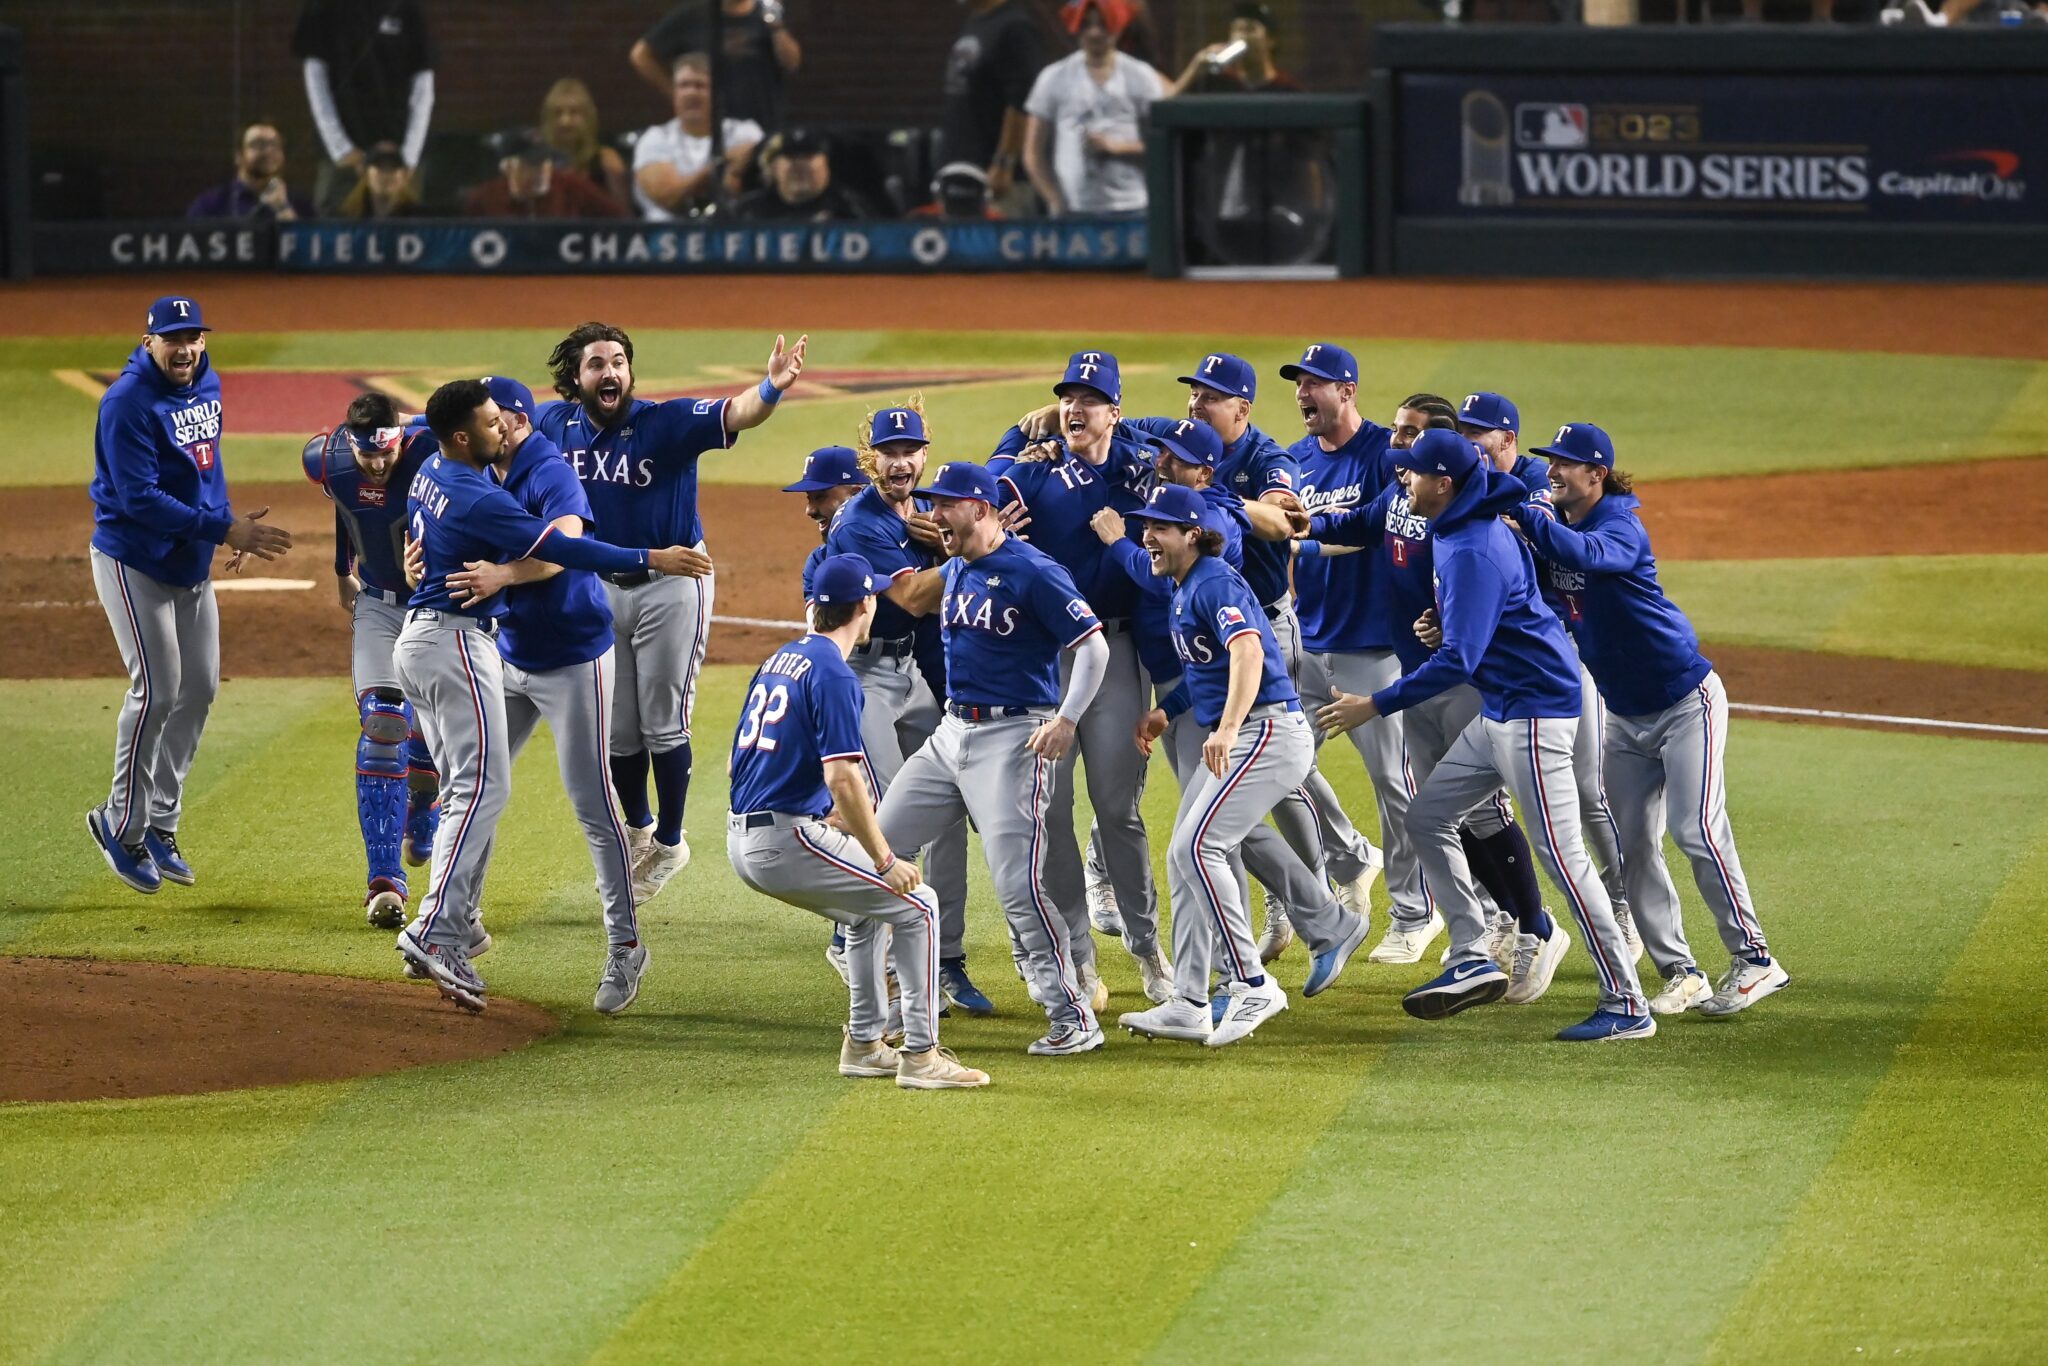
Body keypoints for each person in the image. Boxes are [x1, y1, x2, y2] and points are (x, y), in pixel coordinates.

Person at [1315, 430, 1653, 1043]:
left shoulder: (1471, 542)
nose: (1403, 480)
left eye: (1413, 473)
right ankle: (1471, 950)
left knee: (1564, 858)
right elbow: (1504, 603)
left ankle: (1628, 1002)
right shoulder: (1460, 525)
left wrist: (1376, 704)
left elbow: (1458, 664)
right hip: (1501, 708)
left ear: (1444, 484)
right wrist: (1451, 618)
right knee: (1428, 818)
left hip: (1535, 713)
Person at [392, 380, 704, 1012]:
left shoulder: (548, 473)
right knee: (479, 789)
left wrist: (647, 559)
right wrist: (413, 559)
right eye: (488, 418)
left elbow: (563, 549)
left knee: (593, 808)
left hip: (570, 658)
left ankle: (625, 945)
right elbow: (425, 523)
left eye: (503, 417)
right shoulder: (462, 472)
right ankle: (455, 926)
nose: (500, 426)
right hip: (502, 652)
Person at [1506, 423, 1788, 1019]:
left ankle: (1756, 960)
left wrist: (1531, 519)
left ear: (1596, 474)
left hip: (1687, 702)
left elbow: (1586, 557)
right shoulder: (1558, 531)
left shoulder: (1619, 526)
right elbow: (1551, 603)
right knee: (1633, 847)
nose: (1552, 472)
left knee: (1697, 830)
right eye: (1549, 463)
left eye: (1564, 463)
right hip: (1622, 717)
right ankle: (1679, 970)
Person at [1115, 354, 1383, 958]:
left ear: (1240, 407)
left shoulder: (1266, 458)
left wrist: (1226, 511)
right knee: (1260, 778)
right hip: (1207, 632)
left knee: (1278, 767)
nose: (1194, 405)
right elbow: (1119, 425)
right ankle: (1324, 893)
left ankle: (1321, 891)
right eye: (1192, 393)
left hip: (1263, 622)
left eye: (1209, 396)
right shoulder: (1185, 443)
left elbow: (1285, 519)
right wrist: (1050, 416)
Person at [536, 323, 807, 905]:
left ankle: (672, 839)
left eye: (618, 362)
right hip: (599, 584)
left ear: (631, 372)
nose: (610, 373)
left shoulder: (664, 423)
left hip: (672, 583)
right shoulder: (553, 425)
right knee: (618, 724)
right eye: (596, 364)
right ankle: (638, 830)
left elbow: (738, 412)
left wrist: (773, 386)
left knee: (663, 721)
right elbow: (493, 431)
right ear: (576, 379)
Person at [1307, 404, 1560, 989]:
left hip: (1463, 680)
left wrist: (1449, 627)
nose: (1399, 453)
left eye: (1411, 439)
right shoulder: (1405, 497)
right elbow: (1360, 523)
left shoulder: (1470, 524)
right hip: (1417, 673)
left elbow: (1487, 591)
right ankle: (1501, 921)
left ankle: (1536, 926)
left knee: (1485, 812)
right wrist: (1306, 526)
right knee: (1443, 814)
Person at [1117, 484, 1370, 1047]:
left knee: (1197, 848)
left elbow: (1249, 651)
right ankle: (1188, 1001)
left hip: (1269, 731)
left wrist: (1228, 728)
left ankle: (1251, 981)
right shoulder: (1184, 587)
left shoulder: (1214, 581)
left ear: (1191, 533)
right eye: (1144, 527)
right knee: (1185, 853)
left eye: (1159, 527)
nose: (1147, 537)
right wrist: (1167, 712)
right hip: (1250, 728)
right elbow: (1208, 672)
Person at [873, 460, 1111, 1058]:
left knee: (1018, 888)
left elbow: (1094, 647)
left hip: (1013, 741)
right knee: (879, 850)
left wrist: (1067, 719)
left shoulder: (1035, 572)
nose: (934, 516)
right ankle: (900, 1002)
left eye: (945, 504)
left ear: (979, 509)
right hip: (952, 732)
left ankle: (1073, 1016)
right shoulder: (954, 567)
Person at [727, 554, 989, 1090]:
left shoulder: (781, 659)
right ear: (867, 605)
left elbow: (741, 761)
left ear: (812, 608)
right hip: (783, 840)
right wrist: (885, 858)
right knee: (920, 904)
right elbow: (844, 777)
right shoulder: (837, 674)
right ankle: (921, 1054)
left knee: (866, 910)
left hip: (748, 834)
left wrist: (821, 816)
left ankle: (866, 1043)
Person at [86, 297, 295, 896]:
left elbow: (207, 468)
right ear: (149, 341)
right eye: (172, 338)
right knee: (156, 688)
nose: (185, 349)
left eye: (194, 337)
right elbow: (138, 498)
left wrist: (222, 520)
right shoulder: (127, 403)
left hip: (190, 562)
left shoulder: (208, 383)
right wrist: (224, 528)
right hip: (134, 560)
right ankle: (120, 824)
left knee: (199, 688)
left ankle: (159, 823)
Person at [987, 352, 1165, 1011]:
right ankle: (1079, 960)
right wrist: (997, 516)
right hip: (1049, 659)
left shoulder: (1143, 465)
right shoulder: (1033, 470)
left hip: (1119, 654)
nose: (1075, 408)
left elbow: (1186, 439)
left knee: (1118, 810)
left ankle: (1148, 951)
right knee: (1053, 812)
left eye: (1091, 399)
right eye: (1067, 397)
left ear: (1115, 411)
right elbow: (974, 501)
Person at [1280, 343, 1452, 963]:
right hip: (1310, 641)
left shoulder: (1390, 454)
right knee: (1279, 766)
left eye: (1316, 384)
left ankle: (1415, 912)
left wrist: (1304, 541)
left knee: (1394, 782)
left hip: (1377, 645)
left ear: (1347, 391)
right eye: (1299, 384)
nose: (1304, 394)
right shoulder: (1294, 459)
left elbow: (1381, 530)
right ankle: (1352, 854)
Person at [1457, 391, 1638, 959]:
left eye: (1477, 433)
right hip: (1503, 665)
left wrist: (1525, 516)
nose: (1467, 443)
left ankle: (1622, 907)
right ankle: (1509, 920)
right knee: (1472, 801)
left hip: (1566, 658)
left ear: (1506, 439)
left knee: (1587, 792)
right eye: (1460, 432)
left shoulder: (1539, 486)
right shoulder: (1474, 483)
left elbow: (1562, 540)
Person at [820, 408, 986, 1015]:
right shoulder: (860, 522)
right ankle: (852, 939)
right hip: (862, 679)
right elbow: (914, 598)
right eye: (888, 451)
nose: (901, 462)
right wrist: (976, 549)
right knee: (889, 818)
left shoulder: (913, 513)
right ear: (870, 457)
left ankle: (947, 960)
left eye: (911, 449)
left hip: (909, 672)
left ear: (924, 454)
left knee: (943, 811)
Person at [302, 393, 440, 928]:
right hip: (380, 604)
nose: (378, 465)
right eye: (368, 457)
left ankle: (424, 799)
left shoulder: (435, 450)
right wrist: (343, 570)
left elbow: (485, 422)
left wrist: (413, 420)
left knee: (437, 735)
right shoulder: (327, 459)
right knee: (385, 721)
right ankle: (385, 881)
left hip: (441, 607)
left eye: (387, 453)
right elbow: (346, 504)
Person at [1022, 1, 1163, 218]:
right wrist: (1054, 199)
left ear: (1117, 27)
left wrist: (1117, 148)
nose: (1095, 33)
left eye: (1103, 25)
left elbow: (1162, 145)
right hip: (1074, 209)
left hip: (1132, 206)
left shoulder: (1141, 76)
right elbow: (1032, 152)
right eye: (1086, 25)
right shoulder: (1053, 77)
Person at [293, 0, 434, 215]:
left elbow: (423, 89)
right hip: (343, 161)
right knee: (334, 239)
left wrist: (409, 156)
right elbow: (316, 83)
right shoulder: (322, 7)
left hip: (399, 156)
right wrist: (340, 148)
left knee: (407, 238)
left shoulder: (408, 8)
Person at [940, 0, 1049, 216]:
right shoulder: (976, 22)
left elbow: (1023, 101)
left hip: (998, 179)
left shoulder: (1016, 27)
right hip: (963, 172)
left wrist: (1004, 162)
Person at [630, 0, 801, 133]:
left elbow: (792, 63)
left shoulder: (766, 15)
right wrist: (674, 92)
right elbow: (641, 54)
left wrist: (776, 25)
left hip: (762, 122)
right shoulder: (694, 15)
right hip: (709, 128)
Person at [633, 54, 765, 220]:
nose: (691, 93)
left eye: (700, 85)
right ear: (673, 93)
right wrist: (721, 164)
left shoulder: (745, 132)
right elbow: (668, 198)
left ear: (718, 94)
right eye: (683, 86)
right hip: (667, 235)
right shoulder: (656, 138)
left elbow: (746, 190)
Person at [464, 129, 626, 219]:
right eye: (531, 164)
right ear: (507, 167)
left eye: (544, 162)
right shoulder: (485, 198)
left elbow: (619, 220)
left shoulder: (572, 187)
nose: (541, 170)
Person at [1162, 1, 1300, 98]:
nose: (1242, 36)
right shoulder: (1217, 84)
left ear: (1271, 40)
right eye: (1236, 29)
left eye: (1249, 29)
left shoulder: (1286, 89)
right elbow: (1166, 111)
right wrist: (1195, 68)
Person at [186, 122, 313, 221]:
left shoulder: (301, 204)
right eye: (258, 144)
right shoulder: (211, 204)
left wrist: (282, 208)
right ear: (238, 156)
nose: (268, 151)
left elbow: (310, 250)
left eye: (275, 144)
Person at [734, 129, 869, 222]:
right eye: (791, 156)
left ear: (827, 164)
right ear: (773, 167)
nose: (799, 165)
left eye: (808, 156)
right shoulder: (746, 214)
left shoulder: (852, 211)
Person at [541, 78, 632, 208]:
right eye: (557, 113)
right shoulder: (538, 163)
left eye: (574, 113)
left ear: (588, 117)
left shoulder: (606, 160)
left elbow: (624, 216)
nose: (565, 121)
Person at [336, 142, 426, 219]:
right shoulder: (345, 219)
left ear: (405, 175)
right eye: (379, 166)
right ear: (365, 174)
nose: (386, 174)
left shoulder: (422, 220)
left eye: (393, 166)